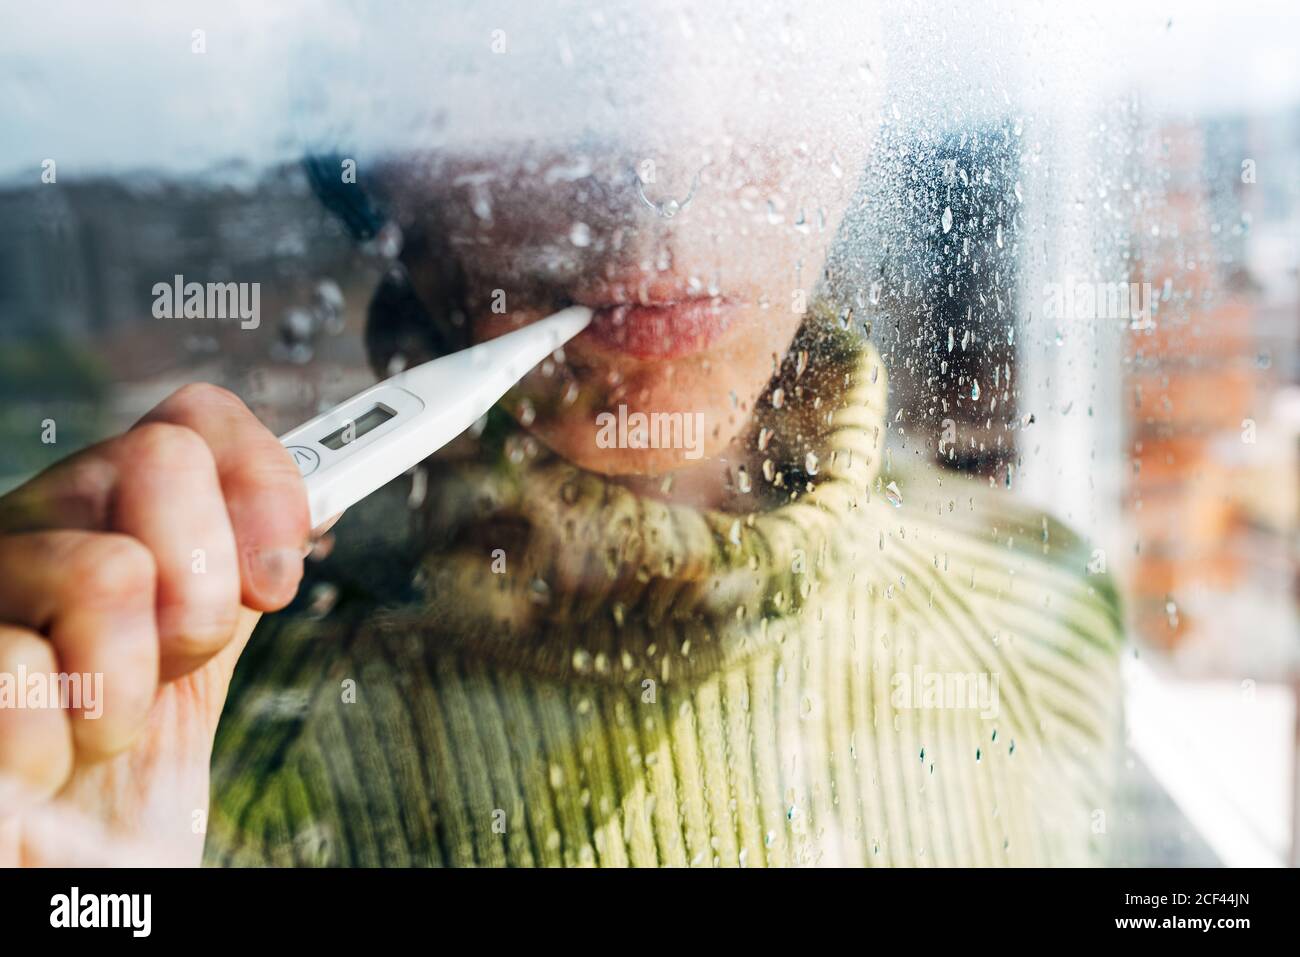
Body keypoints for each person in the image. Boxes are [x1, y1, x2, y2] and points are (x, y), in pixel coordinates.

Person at [0, 11, 1122, 867]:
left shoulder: (1047, 617)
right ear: (354, 109)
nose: (664, 161)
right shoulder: (156, 712)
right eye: (525, 16)